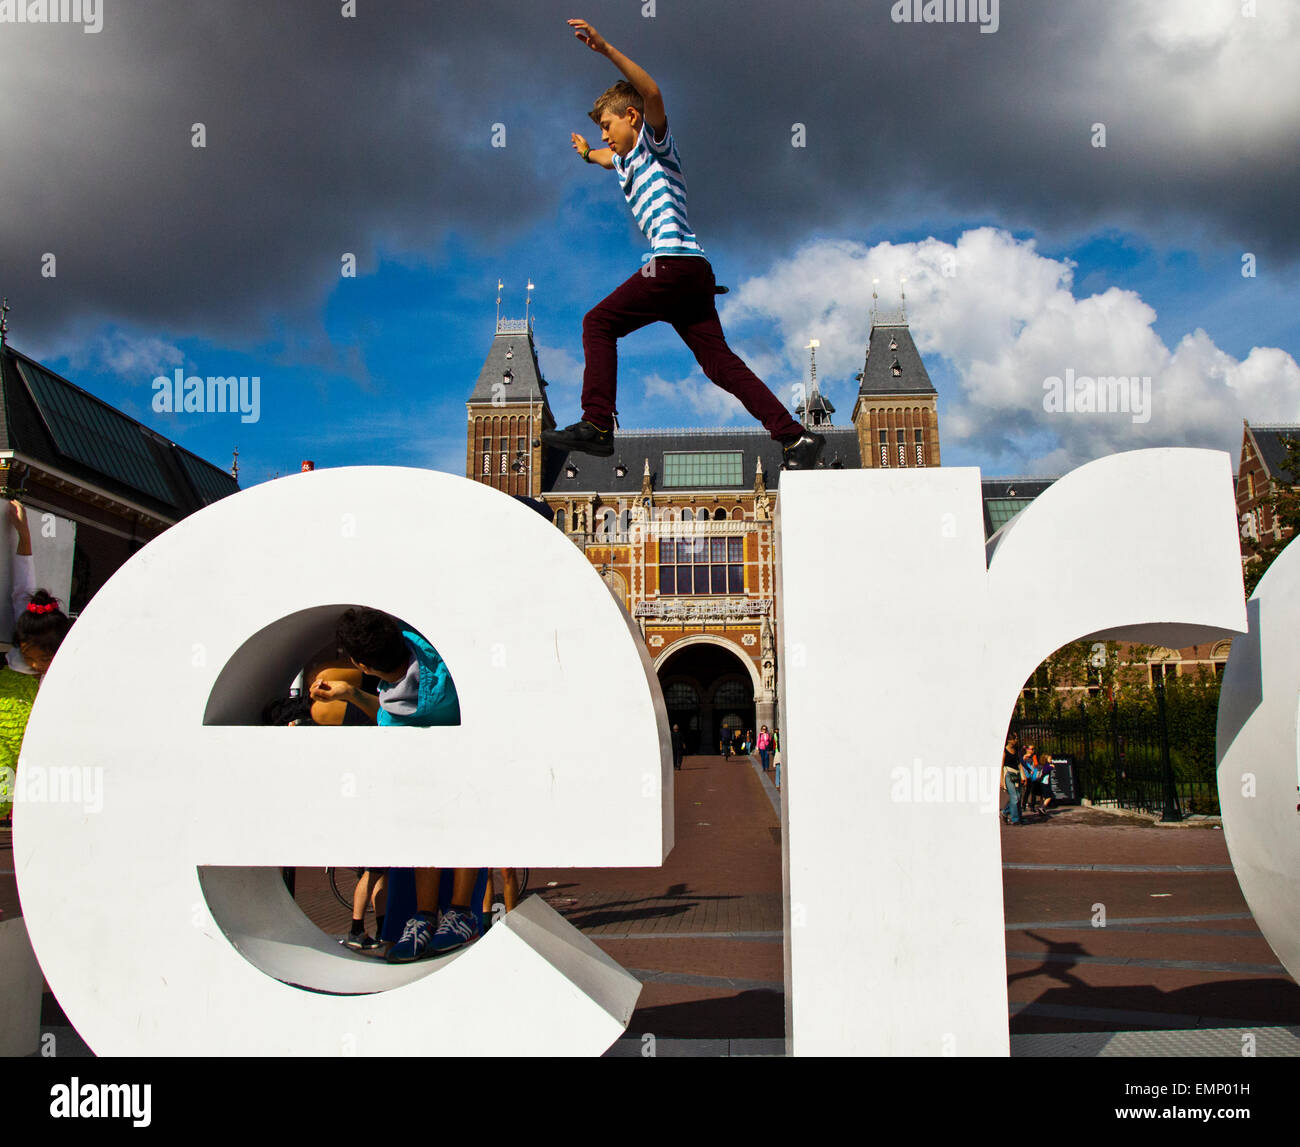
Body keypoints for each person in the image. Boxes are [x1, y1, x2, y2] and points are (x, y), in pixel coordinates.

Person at [539, 18, 825, 472]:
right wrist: (585, 154)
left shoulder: (655, 145)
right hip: (691, 277)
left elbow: (652, 95)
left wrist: (606, 49)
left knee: (598, 323)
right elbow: (603, 158)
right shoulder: (622, 161)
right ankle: (795, 437)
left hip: (670, 264)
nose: (605, 137)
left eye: (608, 126)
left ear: (630, 118)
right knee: (719, 363)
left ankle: (596, 423)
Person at [311, 608, 481, 962]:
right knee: (464, 817)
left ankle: (426, 915)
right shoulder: (440, 650)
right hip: (470, 777)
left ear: (364, 667)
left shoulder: (394, 717)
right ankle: (458, 911)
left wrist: (349, 694)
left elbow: (383, 714)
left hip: (433, 787)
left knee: (426, 826)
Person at [0, 502, 73, 823]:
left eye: (42, 659)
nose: (36, 663)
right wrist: (24, 533)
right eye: (31, 656)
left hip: (30, 730)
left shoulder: (56, 671)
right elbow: (23, 586)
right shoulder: (26, 623)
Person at [1001, 733, 1024, 825]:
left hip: (1016, 773)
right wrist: (1002, 781)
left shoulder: (1016, 750)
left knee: (1018, 796)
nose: (1016, 740)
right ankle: (1015, 819)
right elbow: (1001, 766)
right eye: (1015, 738)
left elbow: (1019, 763)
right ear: (1009, 740)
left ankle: (1005, 812)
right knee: (1014, 797)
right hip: (1008, 774)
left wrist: (1023, 775)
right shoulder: (1004, 751)